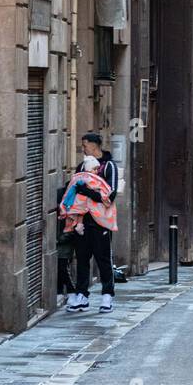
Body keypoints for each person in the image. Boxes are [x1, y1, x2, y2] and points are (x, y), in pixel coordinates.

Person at [66, 132, 119, 314]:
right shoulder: (82, 166)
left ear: (95, 146)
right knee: (81, 259)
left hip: (101, 222)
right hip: (82, 221)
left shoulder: (108, 166)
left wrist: (87, 192)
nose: (83, 148)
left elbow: (110, 195)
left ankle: (107, 295)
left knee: (103, 259)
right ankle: (82, 295)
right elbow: (74, 188)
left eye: (85, 145)